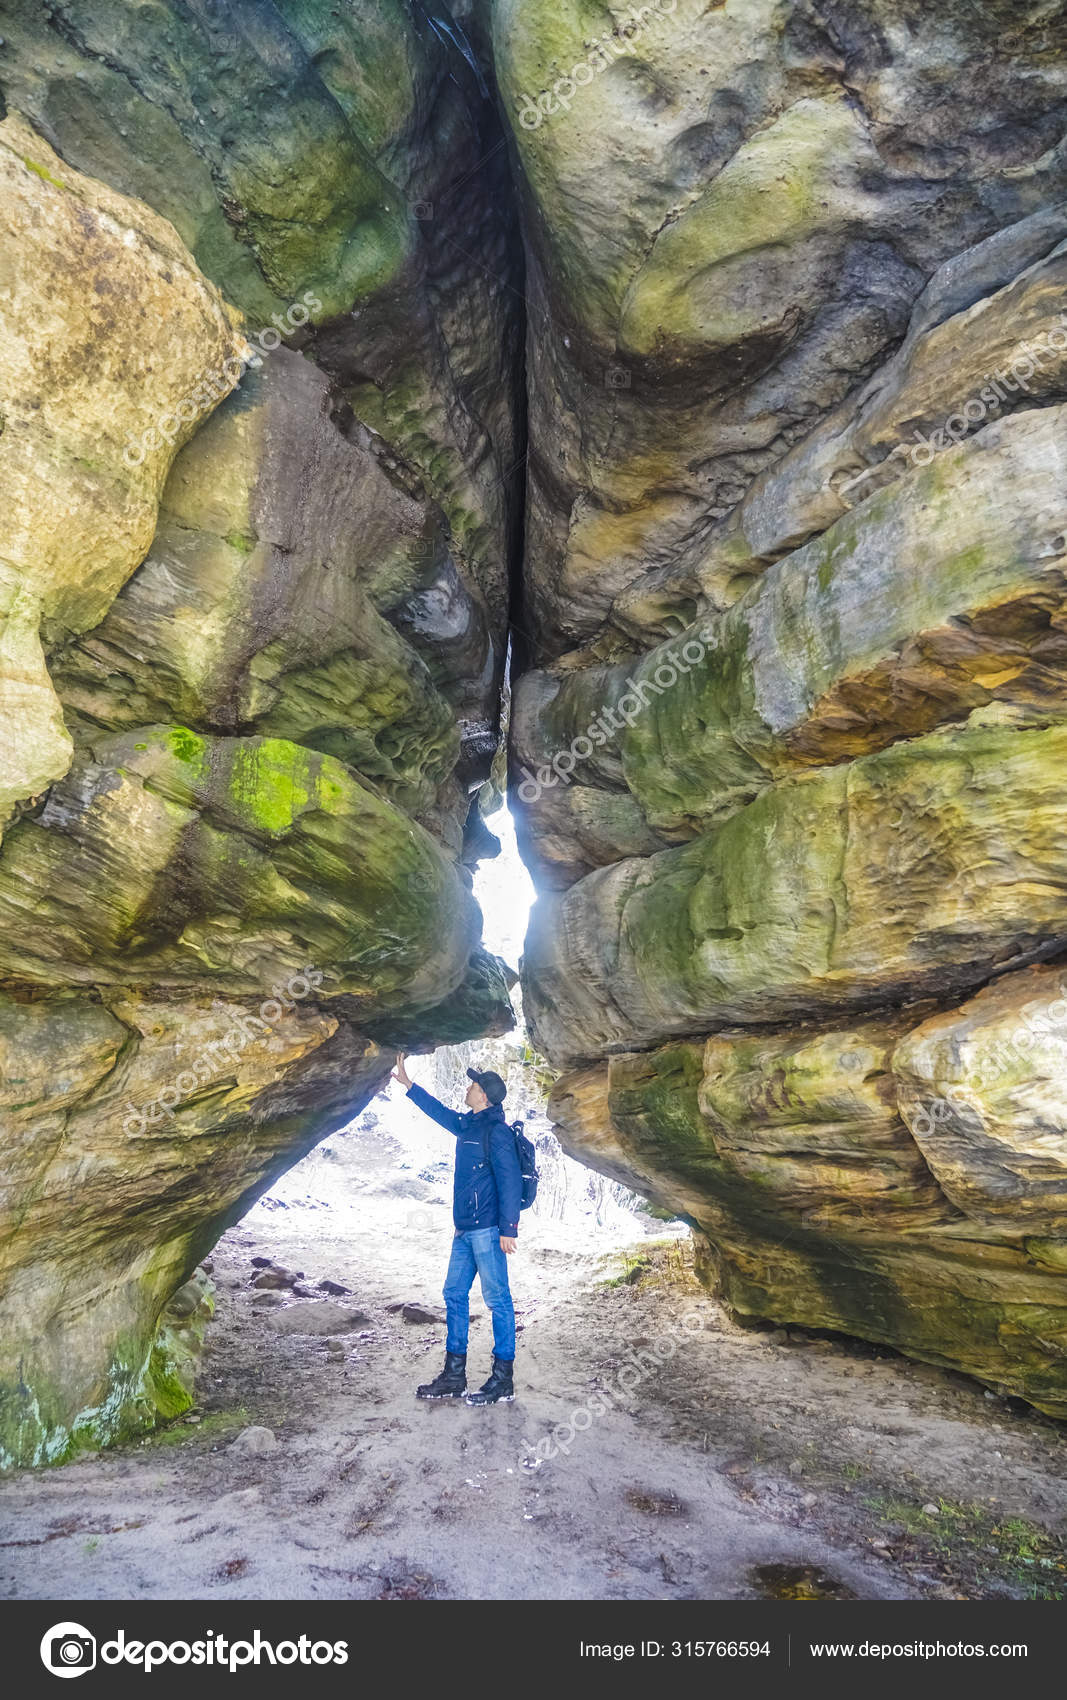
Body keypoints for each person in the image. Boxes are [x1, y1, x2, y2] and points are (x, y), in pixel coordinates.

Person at [391, 1053, 521, 1405]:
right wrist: (409, 1086)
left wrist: (509, 1228)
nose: (467, 1088)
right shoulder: (469, 1124)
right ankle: (454, 1376)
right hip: (463, 1231)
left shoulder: (497, 1132)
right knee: (453, 1294)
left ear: (483, 1095)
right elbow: (439, 1114)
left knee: (498, 1301)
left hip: (490, 1231)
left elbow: (510, 1182)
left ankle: (502, 1380)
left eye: (473, 1085)